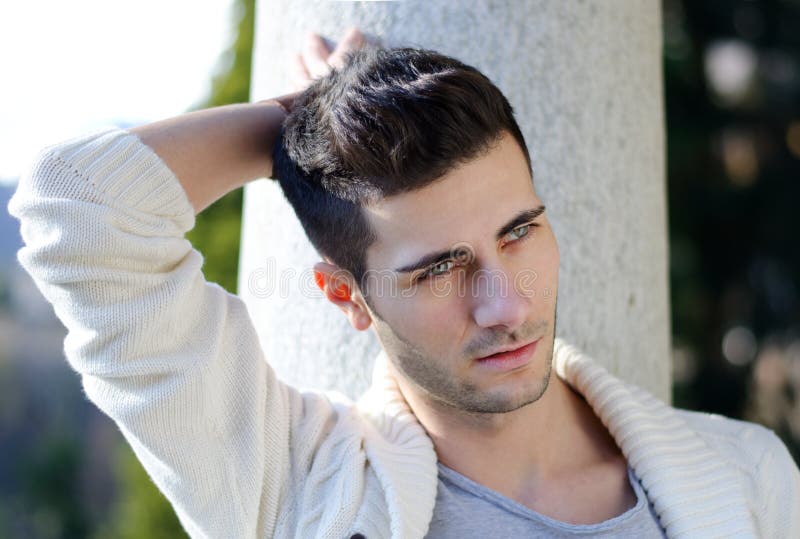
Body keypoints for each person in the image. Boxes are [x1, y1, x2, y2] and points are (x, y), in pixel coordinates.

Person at [8, 27, 799, 539]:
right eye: (440, 268)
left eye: (519, 231)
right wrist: (296, 125)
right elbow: (79, 206)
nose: (508, 303)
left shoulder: (746, 476)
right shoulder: (294, 488)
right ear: (345, 296)